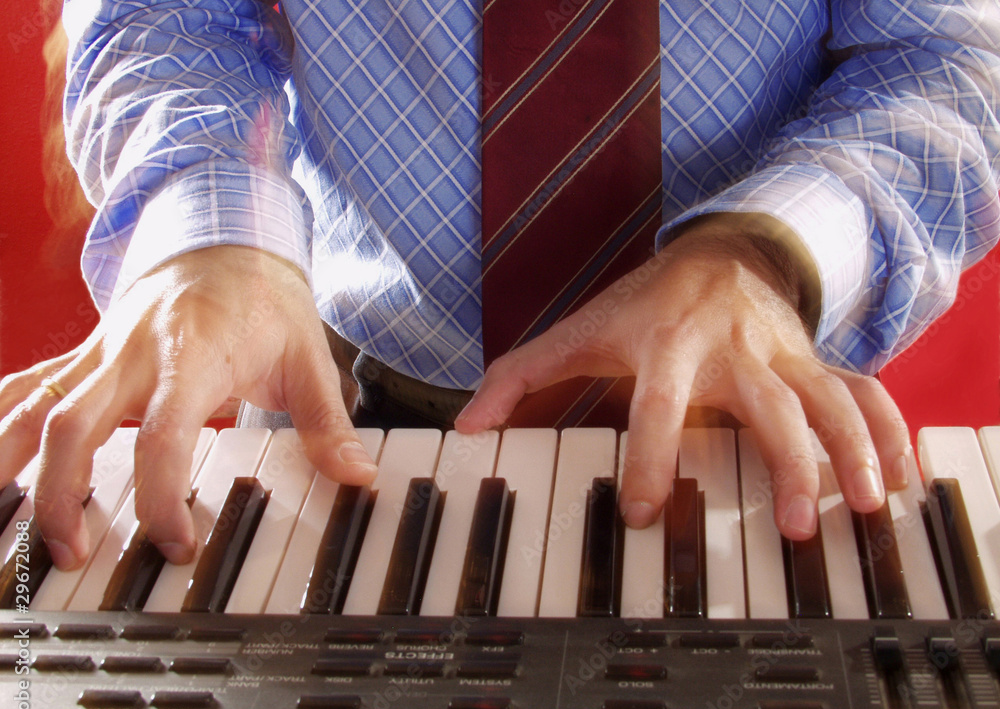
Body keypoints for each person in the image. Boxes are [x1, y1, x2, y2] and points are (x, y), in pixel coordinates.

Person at [0, 0, 997, 572]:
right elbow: (168, 15)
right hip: (343, 430)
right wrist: (213, 231)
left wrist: (762, 254)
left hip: (747, 437)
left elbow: (949, 56)